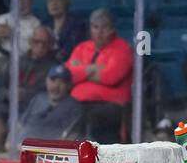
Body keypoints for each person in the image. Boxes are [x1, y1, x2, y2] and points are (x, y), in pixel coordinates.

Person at [64, 8, 133, 143]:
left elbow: (111, 77)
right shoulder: (81, 48)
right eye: (95, 27)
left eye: (104, 27)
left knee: (89, 116)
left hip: (110, 105)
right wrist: (94, 69)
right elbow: (68, 75)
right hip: (77, 103)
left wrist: (81, 70)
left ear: (113, 28)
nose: (100, 32)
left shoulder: (123, 48)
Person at [17, 64, 82, 140]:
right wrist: (10, 141)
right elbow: (20, 125)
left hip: (48, 149)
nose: (56, 86)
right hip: (21, 147)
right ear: (46, 81)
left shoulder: (74, 106)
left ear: (69, 85)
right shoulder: (38, 99)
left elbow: (72, 137)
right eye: (53, 80)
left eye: (62, 82)